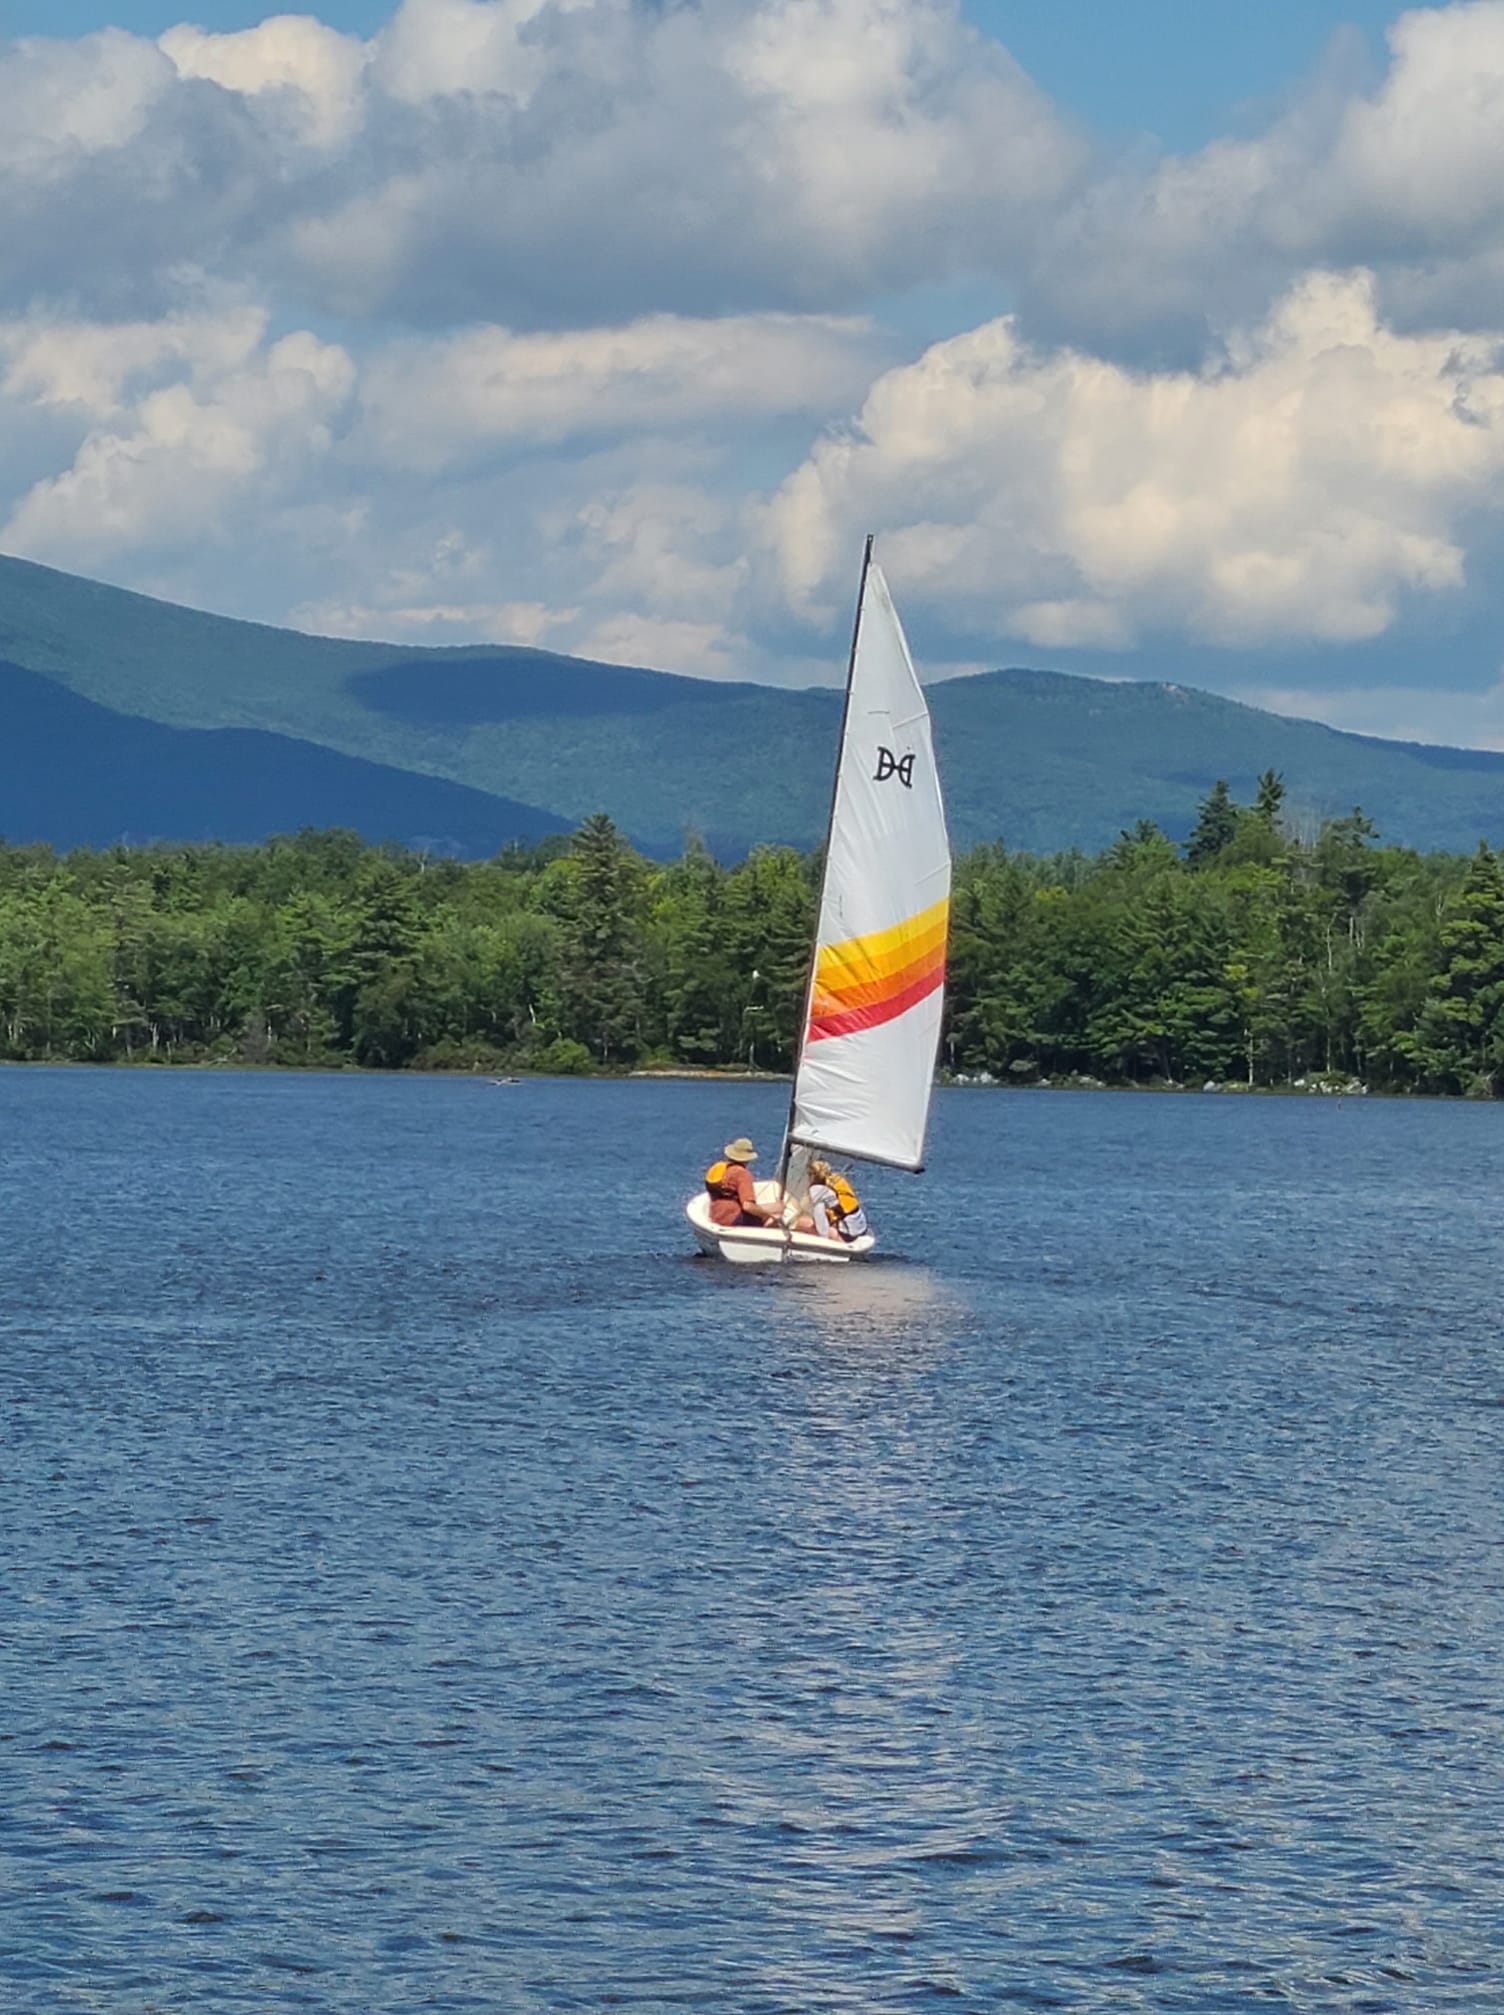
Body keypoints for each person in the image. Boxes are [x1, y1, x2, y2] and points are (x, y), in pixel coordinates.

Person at [704, 1138, 786, 1228]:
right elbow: (748, 1206)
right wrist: (769, 1215)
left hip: (716, 1216)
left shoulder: (720, 1170)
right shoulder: (742, 1174)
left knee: (774, 1208)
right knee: (776, 1216)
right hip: (733, 1219)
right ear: (747, 1159)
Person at [807, 1159, 869, 1243]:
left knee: (804, 1223)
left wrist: (823, 1239)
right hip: (861, 1226)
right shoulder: (836, 1178)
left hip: (848, 1232)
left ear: (813, 1175)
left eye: (808, 1174)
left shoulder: (817, 1189)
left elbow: (820, 1217)